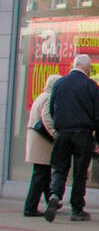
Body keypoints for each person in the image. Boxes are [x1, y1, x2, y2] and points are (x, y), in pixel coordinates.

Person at [45, 54, 99, 223]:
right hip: (83, 134)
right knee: (80, 172)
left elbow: (52, 108)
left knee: (59, 167)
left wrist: (58, 127)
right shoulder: (91, 86)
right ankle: (77, 208)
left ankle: (55, 194)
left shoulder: (59, 84)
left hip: (63, 132)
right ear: (86, 68)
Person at [23, 74, 59, 217]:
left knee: (43, 174)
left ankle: (51, 200)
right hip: (41, 142)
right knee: (40, 175)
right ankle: (30, 207)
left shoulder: (42, 96)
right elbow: (47, 118)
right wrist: (55, 133)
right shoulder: (48, 98)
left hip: (37, 140)